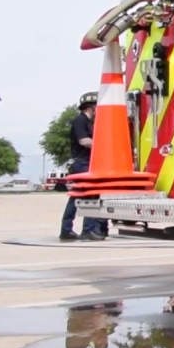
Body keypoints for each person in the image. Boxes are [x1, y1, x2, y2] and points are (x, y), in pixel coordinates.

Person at [59, 92, 107, 241]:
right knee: (91, 195)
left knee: (75, 197)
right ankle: (88, 230)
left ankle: (66, 230)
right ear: (92, 107)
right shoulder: (80, 121)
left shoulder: (88, 122)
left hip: (83, 163)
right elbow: (84, 141)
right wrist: (104, 146)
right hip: (83, 164)